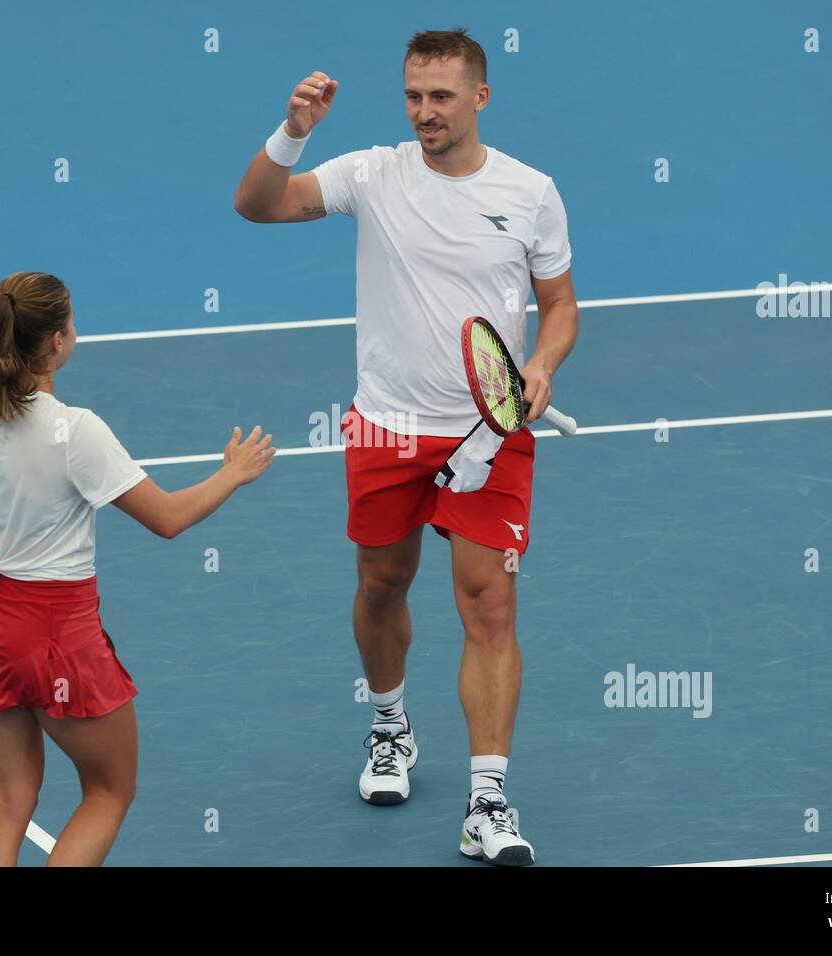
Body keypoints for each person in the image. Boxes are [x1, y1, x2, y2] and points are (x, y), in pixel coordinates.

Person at [234, 28, 578, 866]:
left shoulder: (531, 192)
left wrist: (540, 362)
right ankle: (390, 728)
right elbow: (258, 204)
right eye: (414, 96)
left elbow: (561, 305)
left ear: (480, 99)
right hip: (385, 427)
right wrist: (295, 128)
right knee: (381, 586)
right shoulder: (370, 174)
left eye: (441, 97)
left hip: (487, 434)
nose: (424, 112)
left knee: (488, 605)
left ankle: (488, 801)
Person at [0, 271, 274, 866]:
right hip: (55, 640)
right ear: (56, 341)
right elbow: (168, 519)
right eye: (70, 323)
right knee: (108, 791)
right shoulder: (76, 432)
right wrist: (231, 474)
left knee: (7, 799)